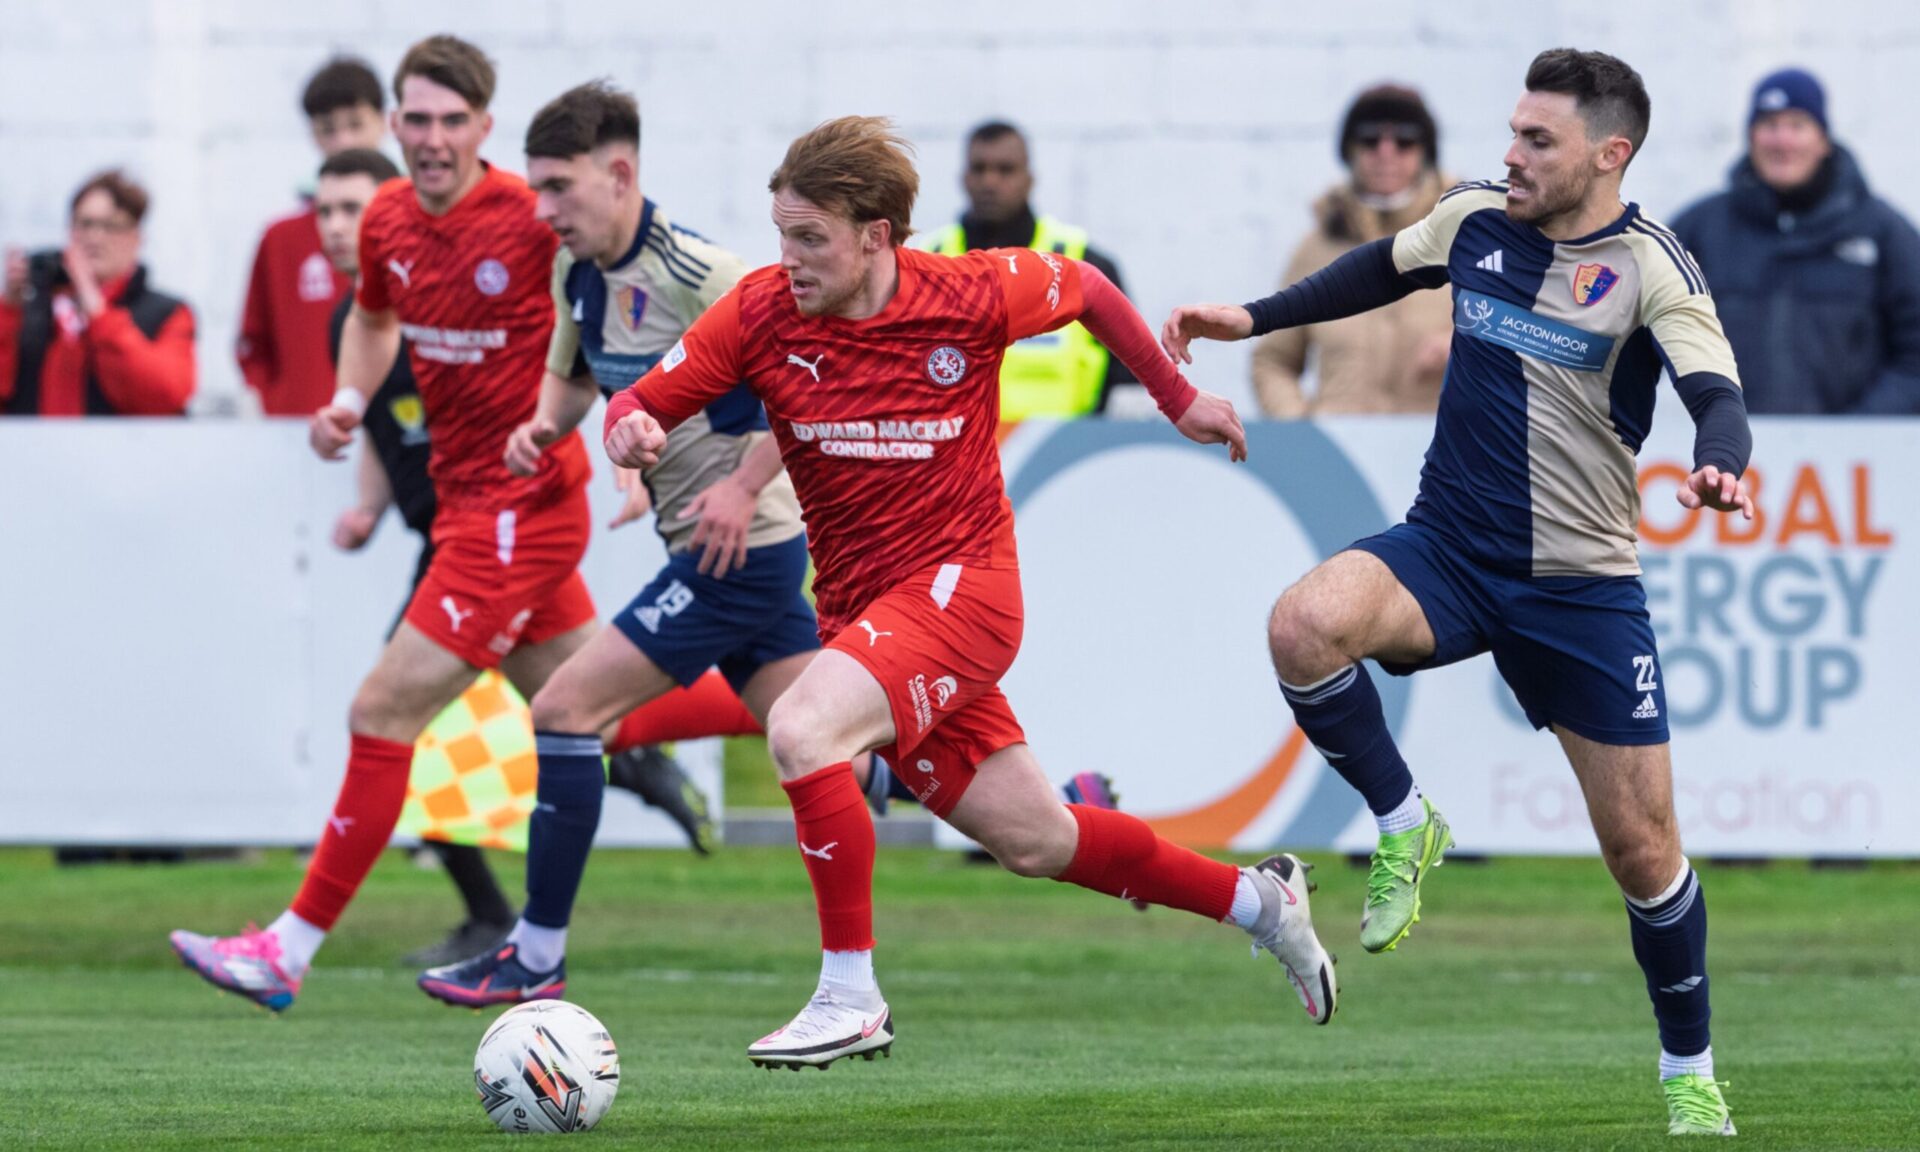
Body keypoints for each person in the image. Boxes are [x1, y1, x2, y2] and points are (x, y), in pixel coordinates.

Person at [602, 115, 1336, 1070]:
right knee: (1036, 839)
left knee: (800, 727)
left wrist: (1179, 398)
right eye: (782, 236)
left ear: (877, 235)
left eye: (810, 238)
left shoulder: (972, 291)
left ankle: (849, 994)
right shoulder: (758, 313)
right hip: (869, 615)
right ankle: (1260, 903)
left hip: (965, 591)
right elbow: (640, 401)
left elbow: (1090, 291)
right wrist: (627, 433)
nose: (789, 260)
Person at [1162, 49, 1751, 1136]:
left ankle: (1689, 1072)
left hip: (1581, 589)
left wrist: (1722, 458)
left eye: (1540, 140)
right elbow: (1380, 268)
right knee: (1304, 624)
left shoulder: (1654, 265)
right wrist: (1250, 317)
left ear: (1609, 155)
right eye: (1514, 131)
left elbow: (1715, 388)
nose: (1511, 154)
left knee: (1644, 853)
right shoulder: (1476, 216)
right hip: (1449, 548)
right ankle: (1404, 819)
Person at [170, 35, 601, 1013]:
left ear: (486, 129)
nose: (434, 139)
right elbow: (371, 320)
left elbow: (614, 304)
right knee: (603, 701)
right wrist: (348, 399)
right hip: (466, 507)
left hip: (519, 509)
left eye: (455, 122)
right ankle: (822, 720)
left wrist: (643, 427)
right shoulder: (391, 219)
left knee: (380, 711)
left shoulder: (532, 222)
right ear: (395, 124)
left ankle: (285, 950)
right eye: (419, 120)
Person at [413, 80, 821, 1006]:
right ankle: (1062, 804)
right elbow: (573, 380)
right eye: (536, 187)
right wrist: (542, 430)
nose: (542, 208)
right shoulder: (580, 274)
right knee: (843, 743)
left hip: (743, 553)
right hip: (701, 551)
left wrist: (741, 486)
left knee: (563, 713)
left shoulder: (706, 274)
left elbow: (810, 390)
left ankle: (536, 956)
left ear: (620, 173)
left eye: (557, 187)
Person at [1670, 67, 1920, 414]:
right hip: (1724, 459)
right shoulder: (1699, 229)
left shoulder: (1883, 232)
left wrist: (1863, 433)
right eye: (1769, 125)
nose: (1782, 141)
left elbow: (1914, 357)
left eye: (1797, 125)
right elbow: (1634, 333)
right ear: (1751, 136)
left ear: (1823, 140)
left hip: (1853, 464)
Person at [1251, 85, 1455, 417]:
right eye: (1370, 138)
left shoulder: (1467, 240)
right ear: (1349, 150)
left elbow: (1525, 343)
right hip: (1341, 459)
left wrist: (1469, 348)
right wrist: (1302, 426)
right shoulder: (1316, 248)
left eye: (1404, 139)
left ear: (1425, 153)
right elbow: (1272, 359)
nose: (1386, 152)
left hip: (1444, 455)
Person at [915, 121, 1139, 419]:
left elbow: (1127, 385)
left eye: (1005, 169)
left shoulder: (1085, 263)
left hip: (1062, 455)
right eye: (979, 169)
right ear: (964, 178)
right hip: (952, 456)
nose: (990, 182)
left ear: (1029, 179)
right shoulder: (924, 263)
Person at [237, 56, 388, 417]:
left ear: (384, 122)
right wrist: (280, 401)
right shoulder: (281, 238)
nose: (344, 140)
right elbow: (254, 343)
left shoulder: (420, 227)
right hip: (305, 429)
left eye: (355, 124)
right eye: (328, 129)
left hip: (399, 430)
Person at [2, 169, 194, 416]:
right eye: (85, 224)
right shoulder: (37, 310)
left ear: (137, 238)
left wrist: (97, 311)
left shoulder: (168, 313)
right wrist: (9, 308)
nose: (94, 237)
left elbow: (165, 396)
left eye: (111, 226)